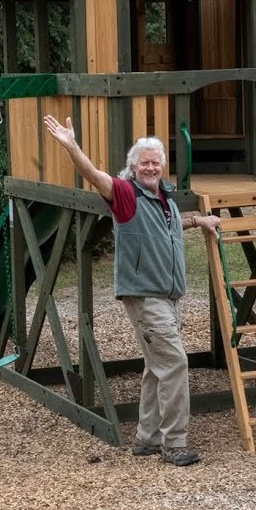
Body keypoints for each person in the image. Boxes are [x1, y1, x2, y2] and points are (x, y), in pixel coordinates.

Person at [42, 115, 220, 467]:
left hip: (167, 297)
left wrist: (199, 221)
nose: (151, 167)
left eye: (156, 162)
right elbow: (94, 176)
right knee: (175, 364)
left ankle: (147, 438)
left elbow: (168, 226)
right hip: (145, 296)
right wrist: (72, 146)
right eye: (144, 163)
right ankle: (174, 444)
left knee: (157, 367)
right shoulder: (125, 194)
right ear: (133, 167)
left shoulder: (164, 200)